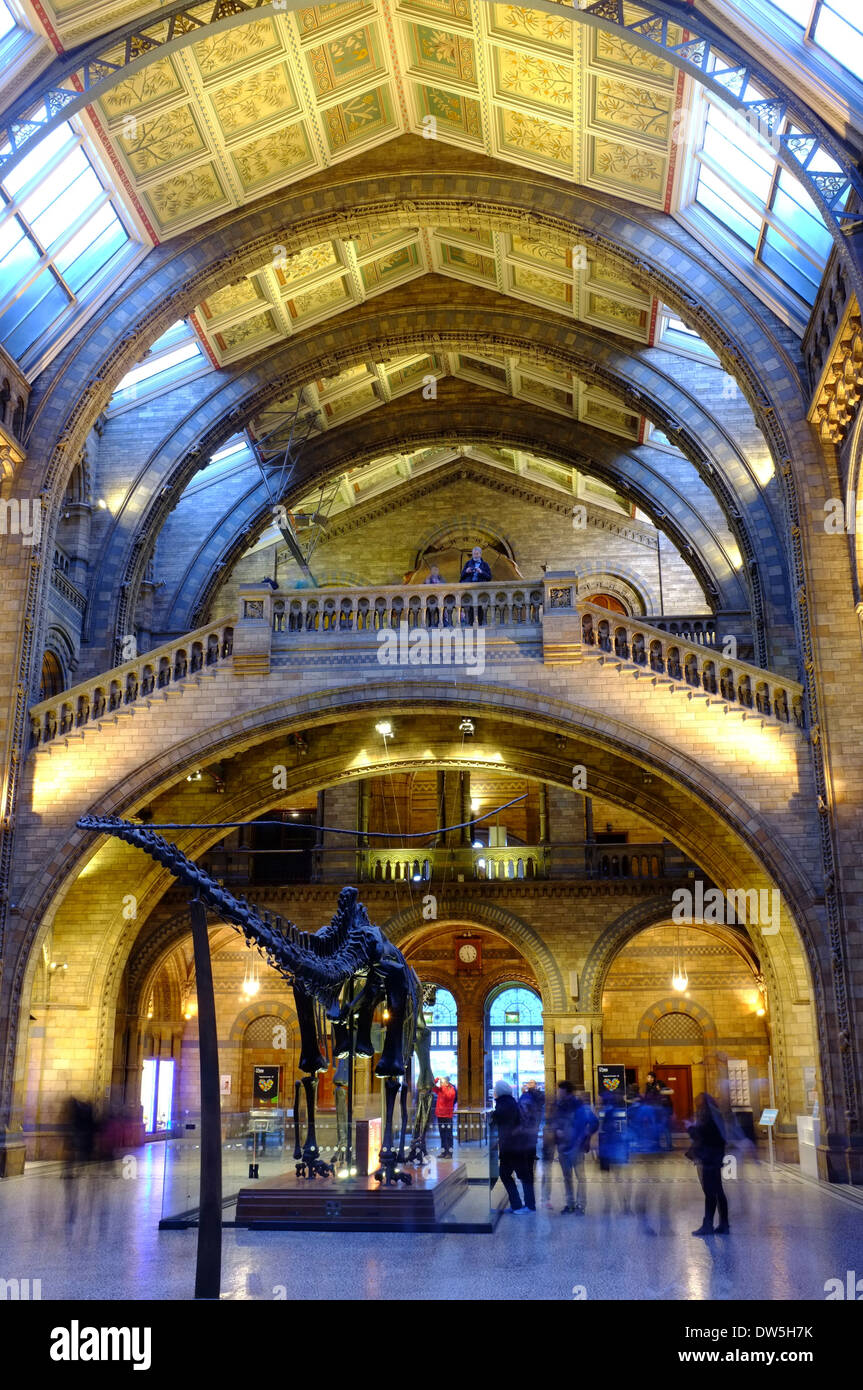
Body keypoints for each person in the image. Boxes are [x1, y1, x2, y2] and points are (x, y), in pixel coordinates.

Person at [686, 1092, 730, 1236]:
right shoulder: (716, 1113)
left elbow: (702, 1134)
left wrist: (690, 1127)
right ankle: (724, 1224)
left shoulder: (707, 1115)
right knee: (718, 1191)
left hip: (709, 1156)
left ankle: (708, 1225)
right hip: (715, 1155)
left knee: (710, 1192)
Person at [491, 1080, 535, 1212]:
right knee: (506, 1174)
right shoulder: (509, 1102)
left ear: (499, 1091)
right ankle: (517, 1204)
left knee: (521, 1175)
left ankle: (529, 1206)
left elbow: (503, 1121)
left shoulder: (504, 1104)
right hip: (513, 1146)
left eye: (495, 1090)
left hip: (513, 1147)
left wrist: (493, 1117)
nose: (494, 1092)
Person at [459, 546, 492, 626]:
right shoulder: (468, 563)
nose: (475, 556)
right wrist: (466, 571)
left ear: (480, 554)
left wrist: (481, 572)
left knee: (480, 608)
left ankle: (480, 624)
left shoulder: (485, 565)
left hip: (480, 588)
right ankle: (470, 625)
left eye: (477, 554)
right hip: (469, 588)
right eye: (474, 554)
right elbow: (461, 577)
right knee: (470, 608)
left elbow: (489, 577)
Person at [433, 1076, 457, 1158]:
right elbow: (432, 1086)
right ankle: (443, 1152)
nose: (440, 1084)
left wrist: (443, 1086)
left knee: (449, 1135)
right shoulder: (440, 1089)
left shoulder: (451, 1089)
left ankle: (449, 1153)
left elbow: (448, 1096)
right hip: (440, 1115)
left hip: (447, 1116)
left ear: (446, 1083)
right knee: (442, 1135)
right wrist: (437, 1079)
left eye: (442, 1082)